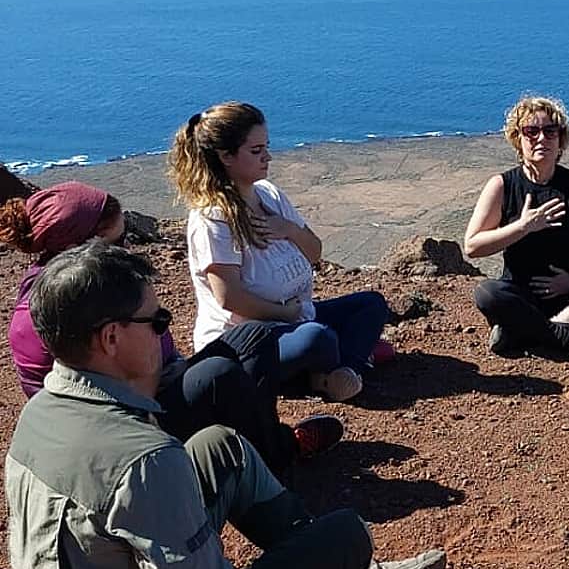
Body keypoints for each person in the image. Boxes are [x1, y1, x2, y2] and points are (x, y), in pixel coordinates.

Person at [4, 240, 446, 569]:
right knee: (345, 536)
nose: (163, 334)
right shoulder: (143, 460)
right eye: (156, 322)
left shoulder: (38, 415)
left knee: (222, 445)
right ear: (110, 339)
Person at [0, 181, 341, 468]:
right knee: (219, 375)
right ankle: (273, 460)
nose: (128, 248)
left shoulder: (94, 288)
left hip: (153, 389)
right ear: (79, 248)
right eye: (117, 243)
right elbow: (103, 394)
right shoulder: (51, 311)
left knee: (254, 337)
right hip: (122, 423)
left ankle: (254, 446)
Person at [169, 101, 391, 402]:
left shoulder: (269, 195)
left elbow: (315, 252)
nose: (267, 157)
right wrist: (284, 313)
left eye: (266, 147)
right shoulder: (213, 220)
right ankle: (338, 364)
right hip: (246, 338)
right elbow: (229, 297)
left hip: (296, 316)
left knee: (371, 305)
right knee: (317, 337)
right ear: (226, 156)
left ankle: (342, 372)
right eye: (256, 150)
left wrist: (288, 229)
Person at [465, 95, 569, 367]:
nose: (541, 138)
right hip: (521, 293)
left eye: (550, 131)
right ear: (517, 139)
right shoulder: (501, 186)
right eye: (531, 131)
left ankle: (524, 331)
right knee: (487, 293)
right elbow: (473, 246)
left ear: (560, 139)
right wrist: (522, 226)